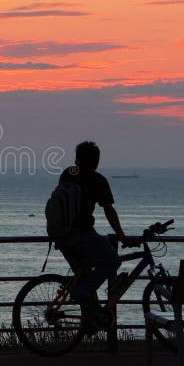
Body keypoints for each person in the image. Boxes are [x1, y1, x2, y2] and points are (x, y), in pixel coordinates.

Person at [56, 141, 135, 331]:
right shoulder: (98, 180)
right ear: (96, 161)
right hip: (81, 234)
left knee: (84, 275)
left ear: (77, 158)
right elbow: (108, 210)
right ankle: (82, 293)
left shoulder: (68, 173)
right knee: (112, 261)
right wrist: (122, 236)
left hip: (61, 235)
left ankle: (89, 323)